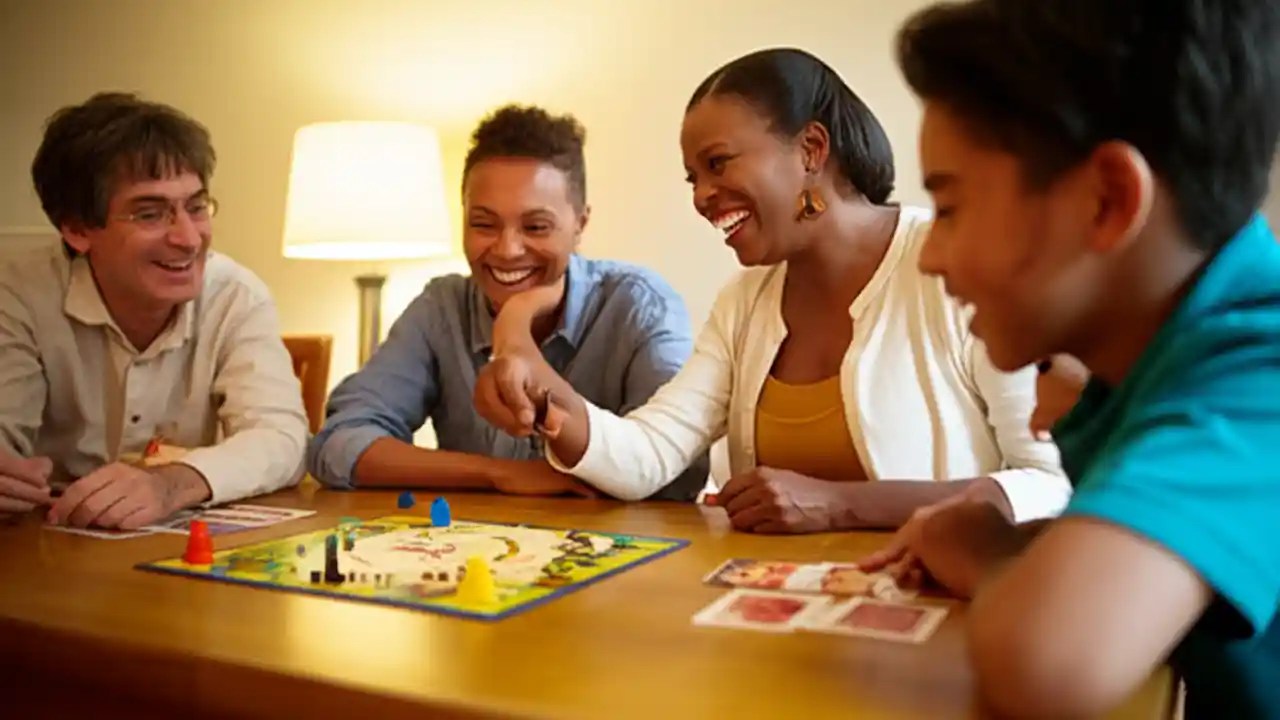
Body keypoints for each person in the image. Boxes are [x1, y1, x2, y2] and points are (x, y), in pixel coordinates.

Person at [859, 1, 1280, 716]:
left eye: (951, 208)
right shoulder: (1164, 363)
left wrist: (983, 551)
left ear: (1107, 201)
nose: (928, 257)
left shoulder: (1257, 369)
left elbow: (1048, 663)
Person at [474, 49, 1068, 532]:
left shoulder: (949, 267)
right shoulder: (745, 301)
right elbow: (649, 454)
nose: (703, 195)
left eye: (719, 163)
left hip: (928, 621)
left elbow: (1049, 483)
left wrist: (840, 504)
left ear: (811, 149)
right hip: (780, 612)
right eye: (694, 177)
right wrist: (541, 393)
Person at [308, 105, 707, 500]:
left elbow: (680, 471)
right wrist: (499, 473)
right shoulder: (441, 307)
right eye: (483, 224)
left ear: (580, 224)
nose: (507, 249)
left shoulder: (637, 306)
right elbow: (338, 445)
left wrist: (514, 325)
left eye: (535, 226)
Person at [0, 92, 308, 529]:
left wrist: (169, 485)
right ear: (76, 229)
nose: (188, 238)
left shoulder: (236, 294)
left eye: (197, 207)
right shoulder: (17, 294)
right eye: (150, 214)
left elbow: (283, 439)